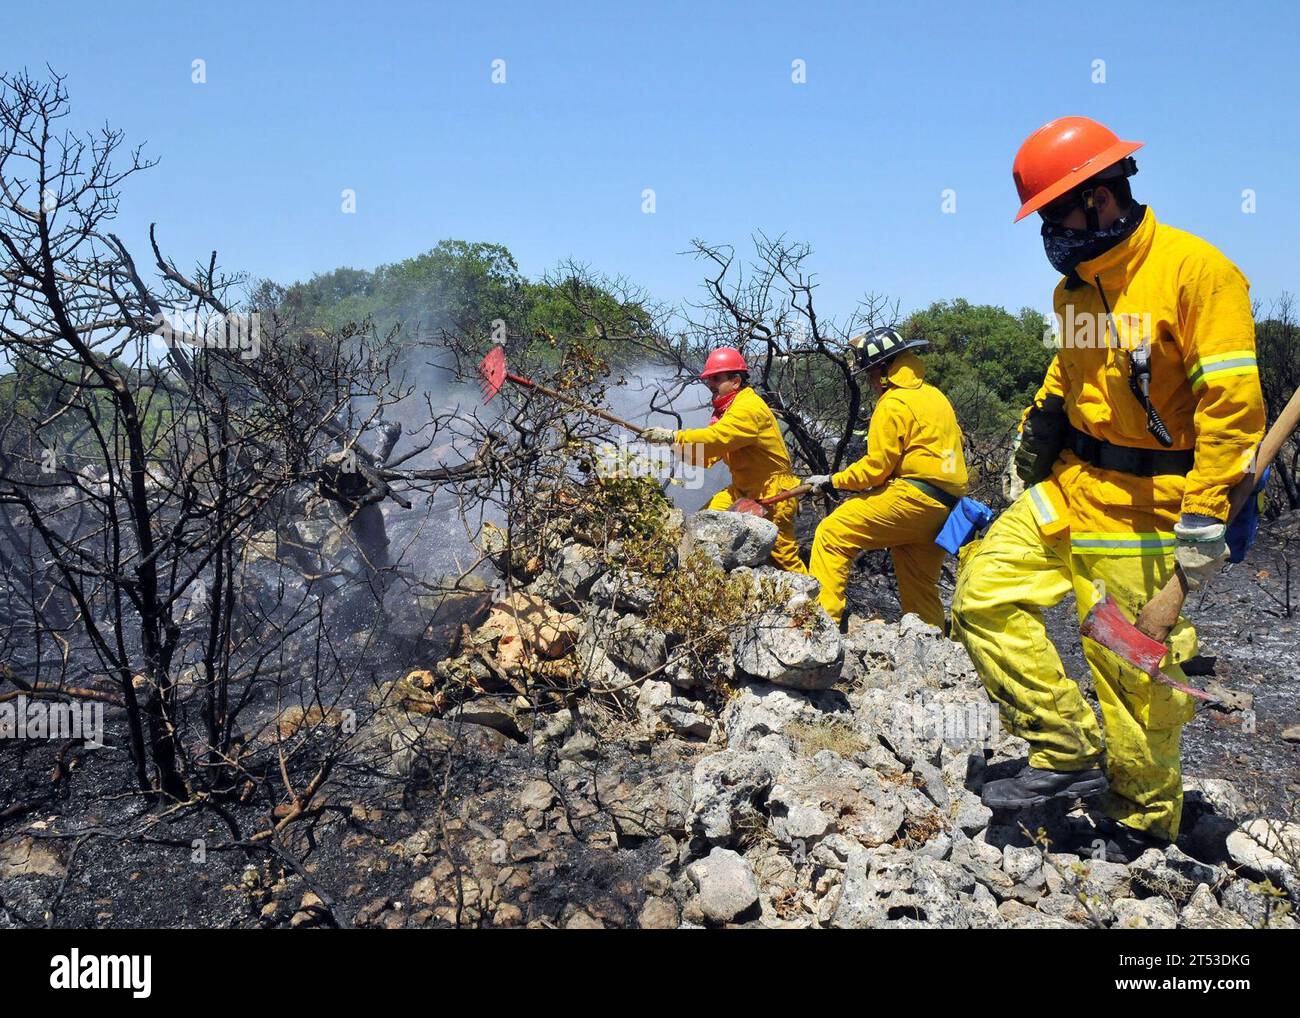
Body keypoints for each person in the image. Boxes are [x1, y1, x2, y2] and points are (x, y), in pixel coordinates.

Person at [950, 116, 1266, 859]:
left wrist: (1204, 519)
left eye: (1054, 212)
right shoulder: (1075, 292)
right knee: (981, 598)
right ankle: (1064, 749)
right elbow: (1073, 373)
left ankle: (1142, 822)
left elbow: (1233, 410)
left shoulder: (1196, 273)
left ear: (1099, 197)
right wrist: (1041, 423)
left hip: (1150, 514)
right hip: (1072, 489)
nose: (1048, 232)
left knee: (1135, 678)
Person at [805, 327, 967, 628]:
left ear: (882, 371)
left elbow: (875, 467)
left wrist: (831, 481)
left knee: (832, 533)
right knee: (919, 586)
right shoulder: (935, 396)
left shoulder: (892, 403)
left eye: (868, 374)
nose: (869, 381)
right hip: (947, 509)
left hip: (912, 501)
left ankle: (818, 628)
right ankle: (932, 653)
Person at [641, 347, 808, 574]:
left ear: (736, 381)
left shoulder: (748, 408)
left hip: (774, 492)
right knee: (702, 526)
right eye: (709, 379)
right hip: (741, 490)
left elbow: (717, 438)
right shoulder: (728, 411)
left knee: (782, 557)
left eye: (717, 378)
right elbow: (706, 456)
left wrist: (673, 435)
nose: (711, 384)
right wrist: (672, 445)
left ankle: (814, 605)